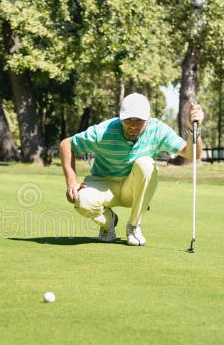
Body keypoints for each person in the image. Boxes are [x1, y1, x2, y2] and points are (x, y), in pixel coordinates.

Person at [59, 93, 204, 246]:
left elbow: (191, 153)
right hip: (104, 185)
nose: (133, 126)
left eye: (139, 121)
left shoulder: (157, 130)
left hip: (132, 189)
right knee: (82, 201)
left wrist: (196, 130)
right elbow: (66, 145)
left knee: (146, 163)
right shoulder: (104, 131)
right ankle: (109, 224)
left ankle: (134, 226)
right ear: (120, 117)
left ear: (148, 117)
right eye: (128, 120)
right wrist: (71, 181)